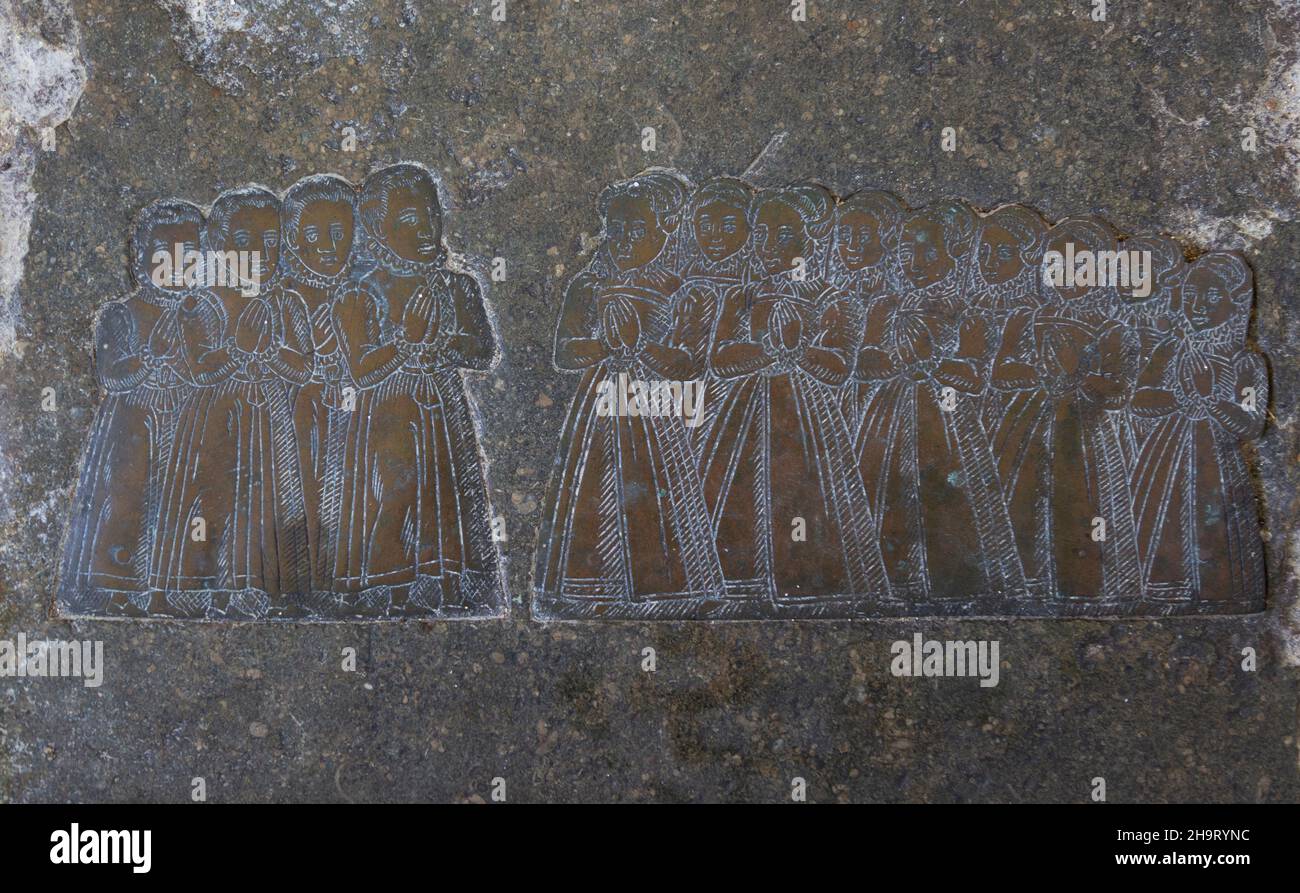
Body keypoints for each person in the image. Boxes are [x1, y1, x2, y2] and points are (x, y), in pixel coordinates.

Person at [536, 170, 725, 615]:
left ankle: (668, 583)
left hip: (658, 409)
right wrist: (607, 345)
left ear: (667, 228)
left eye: (637, 230)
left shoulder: (687, 290)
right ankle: (590, 585)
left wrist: (642, 348)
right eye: (615, 230)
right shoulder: (589, 285)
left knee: (662, 485)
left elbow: (691, 363)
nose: (622, 241)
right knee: (594, 485)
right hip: (601, 405)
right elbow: (565, 353)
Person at [698, 185, 887, 612]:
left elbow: (840, 367)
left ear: (810, 238)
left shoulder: (831, 299)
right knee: (735, 495)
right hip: (743, 412)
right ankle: (737, 585)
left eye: (782, 234)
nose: (766, 245)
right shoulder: (741, 295)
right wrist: (769, 351)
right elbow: (719, 358)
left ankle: (807, 582)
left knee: (804, 491)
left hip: (808, 419)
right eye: (760, 233)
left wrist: (799, 351)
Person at [330, 163, 503, 614]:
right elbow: (361, 369)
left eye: (431, 216)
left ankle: (451, 587)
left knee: (451, 494)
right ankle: (388, 590)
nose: (426, 230)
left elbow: (482, 352)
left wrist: (440, 345)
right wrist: (406, 343)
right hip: (386, 413)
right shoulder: (358, 291)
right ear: (377, 229)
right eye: (408, 222)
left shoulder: (456, 285)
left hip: (443, 408)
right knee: (394, 494)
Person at [149, 187, 311, 616]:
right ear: (217, 247)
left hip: (270, 415)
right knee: (213, 497)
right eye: (244, 242)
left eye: (271, 241)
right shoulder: (199, 302)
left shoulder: (286, 303)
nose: (259, 252)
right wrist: (241, 351)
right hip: (214, 418)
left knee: (270, 498)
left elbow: (304, 367)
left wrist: (271, 353)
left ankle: (261, 585)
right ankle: (199, 583)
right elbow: (200, 368)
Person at [855, 201, 1023, 605]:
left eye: (929, 252)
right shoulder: (885, 306)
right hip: (889, 412)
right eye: (908, 252)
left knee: (948, 499)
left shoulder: (966, 311)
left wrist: (932, 365)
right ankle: (887, 582)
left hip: (947, 418)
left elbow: (975, 375)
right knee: (884, 493)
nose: (916, 262)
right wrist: (895, 363)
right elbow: (863, 363)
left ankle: (958, 581)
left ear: (954, 254)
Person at [58, 201, 196, 615]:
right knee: (127, 501)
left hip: (181, 424)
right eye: (163, 255)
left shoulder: (197, 314)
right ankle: (111, 583)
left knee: (177, 506)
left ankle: (168, 585)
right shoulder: (124, 313)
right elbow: (113, 373)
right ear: (141, 260)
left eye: (187, 255)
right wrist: (148, 363)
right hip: (134, 426)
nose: (175, 266)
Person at [1129, 253, 1266, 609]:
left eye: (1211, 297)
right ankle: (1163, 592)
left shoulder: (1245, 362)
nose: (1199, 307)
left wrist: (1209, 400)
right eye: (1191, 298)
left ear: (1235, 303)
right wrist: (1178, 399)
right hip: (1165, 455)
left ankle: (1219, 593)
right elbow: (1140, 400)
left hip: (1215, 463)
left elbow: (1251, 424)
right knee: (1162, 525)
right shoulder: (1170, 350)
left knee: (1213, 530)